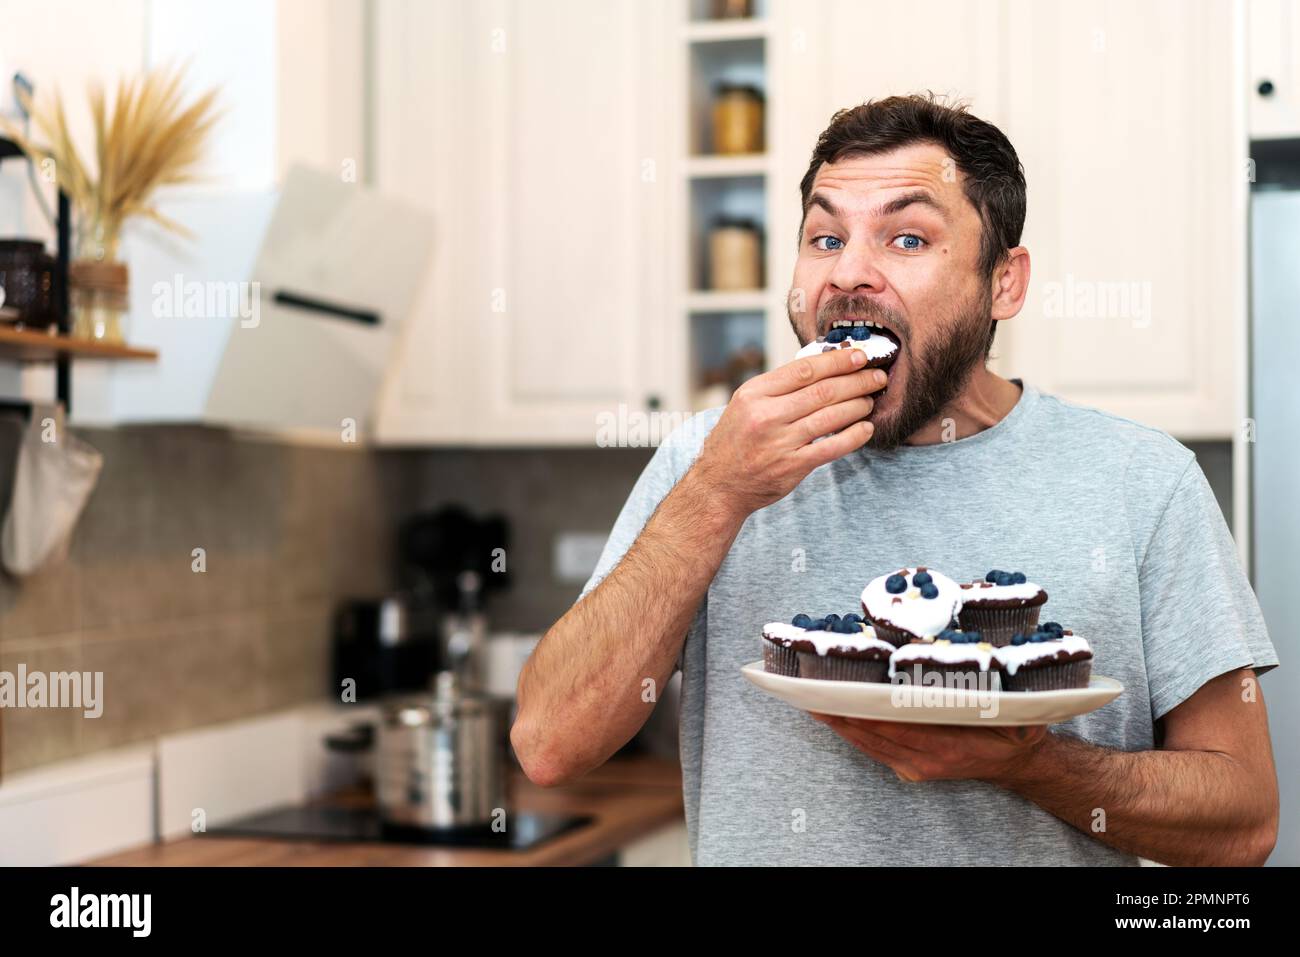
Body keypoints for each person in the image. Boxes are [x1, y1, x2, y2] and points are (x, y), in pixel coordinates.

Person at [511, 93, 1280, 866]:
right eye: (824, 236)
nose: (848, 272)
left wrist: (1032, 765)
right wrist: (716, 493)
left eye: (907, 237)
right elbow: (548, 745)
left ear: (1004, 284)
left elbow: (1244, 822)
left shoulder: (1141, 483)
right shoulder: (709, 462)